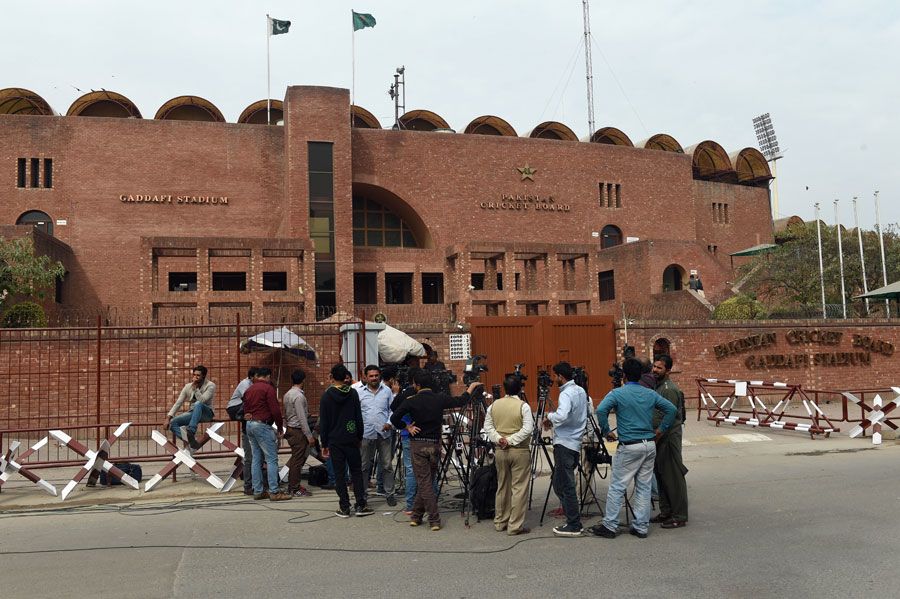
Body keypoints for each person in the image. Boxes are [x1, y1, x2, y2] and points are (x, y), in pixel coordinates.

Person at [592, 358, 676, 539]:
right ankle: (641, 526)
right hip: (649, 444)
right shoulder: (649, 393)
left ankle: (610, 525)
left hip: (629, 445)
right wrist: (660, 430)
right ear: (641, 376)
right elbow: (671, 409)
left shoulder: (617, 393)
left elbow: (601, 410)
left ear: (623, 375)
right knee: (644, 487)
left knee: (617, 486)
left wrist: (606, 431)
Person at [391, 370, 482, 531]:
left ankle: (434, 518)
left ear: (416, 385)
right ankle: (417, 516)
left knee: (424, 482)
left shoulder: (412, 400)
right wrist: (471, 387)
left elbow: (394, 417)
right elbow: (461, 400)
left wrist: (407, 427)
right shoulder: (439, 398)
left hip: (418, 444)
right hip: (434, 444)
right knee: (427, 480)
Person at [542, 361, 590, 537]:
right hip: (575, 441)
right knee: (559, 481)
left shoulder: (566, 394)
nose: (554, 379)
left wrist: (549, 416)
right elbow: (585, 413)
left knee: (567, 485)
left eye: (555, 376)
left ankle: (573, 523)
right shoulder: (580, 391)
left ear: (560, 377)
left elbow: (562, 415)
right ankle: (571, 513)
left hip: (565, 443)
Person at [319, 364, 373, 518]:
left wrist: (324, 443)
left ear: (331, 377)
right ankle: (360, 505)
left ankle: (344, 506)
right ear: (345, 377)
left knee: (339, 474)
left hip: (335, 440)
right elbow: (358, 418)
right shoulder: (353, 393)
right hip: (352, 437)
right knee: (356, 472)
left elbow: (324, 423)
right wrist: (359, 436)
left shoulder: (327, 396)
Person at [483, 374, 534, 536]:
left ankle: (500, 521)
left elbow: (488, 427)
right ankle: (514, 525)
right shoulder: (523, 406)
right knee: (519, 488)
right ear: (520, 388)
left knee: (502, 486)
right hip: (519, 450)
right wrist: (511, 440)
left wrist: (500, 439)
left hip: (500, 450)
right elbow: (527, 429)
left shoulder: (494, 405)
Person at [242, 367, 291, 502]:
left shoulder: (249, 389)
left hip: (250, 425)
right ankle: (274, 491)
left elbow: (245, 409)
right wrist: (280, 427)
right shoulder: (268, 389)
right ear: (268, 376)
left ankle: (258, 490)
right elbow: (275, 410)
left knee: (256, 459)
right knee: (271, 459)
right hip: (263, 425)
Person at [650, 355, 688, 528]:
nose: (655, 370)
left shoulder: (668, 389)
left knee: (673, 477)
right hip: (659, 437)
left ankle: (679, 515)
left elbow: (669, 416)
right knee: (661, 475)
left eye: (659, 367)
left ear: (668, 370)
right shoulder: (658, 387)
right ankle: (666, 511)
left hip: (667, 437)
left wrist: (658, 435)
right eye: (654, 366)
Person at [354, 365, 397, 507]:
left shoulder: (387, 391)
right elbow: (355, 414)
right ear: (365, 377)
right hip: (366, 434)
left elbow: (393, 410)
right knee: (364, 466)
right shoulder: (358, 392)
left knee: (387, 465)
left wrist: (389, 422)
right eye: (371, 376)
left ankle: (389, 493)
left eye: (376, 376)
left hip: (384, 433)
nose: (374, 378)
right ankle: (363, 495)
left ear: (380, 376)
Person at [164, 365, 216, 451]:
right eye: (194, 375)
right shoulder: (188, 386)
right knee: (173, 423)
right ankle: (190, 440)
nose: (195, 377)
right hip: (193, 413)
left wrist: (195, 389)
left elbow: (202, 400)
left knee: (198, 403)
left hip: (206, 413)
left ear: (203, 376)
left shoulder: (210, 385)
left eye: (198, 375)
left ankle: (191, 431)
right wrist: (168, 417)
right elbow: (178, 402)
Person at [283, 369, 314, 498]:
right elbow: (301, 418)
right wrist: (309, 435)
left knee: (296, 458)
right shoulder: (299, 396)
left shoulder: (288, 394)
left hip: (291, 427)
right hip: (298, 430)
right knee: (297, 460)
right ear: (303, 380)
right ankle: (294, 488)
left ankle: (293, 486)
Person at [228, 366, 258, 495]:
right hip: (235, 408)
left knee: (251, 456)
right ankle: (249, 484)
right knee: (249, 456)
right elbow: (249, 399)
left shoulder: (253, 383)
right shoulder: (245, 384)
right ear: (251, 376)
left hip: (243, 409)